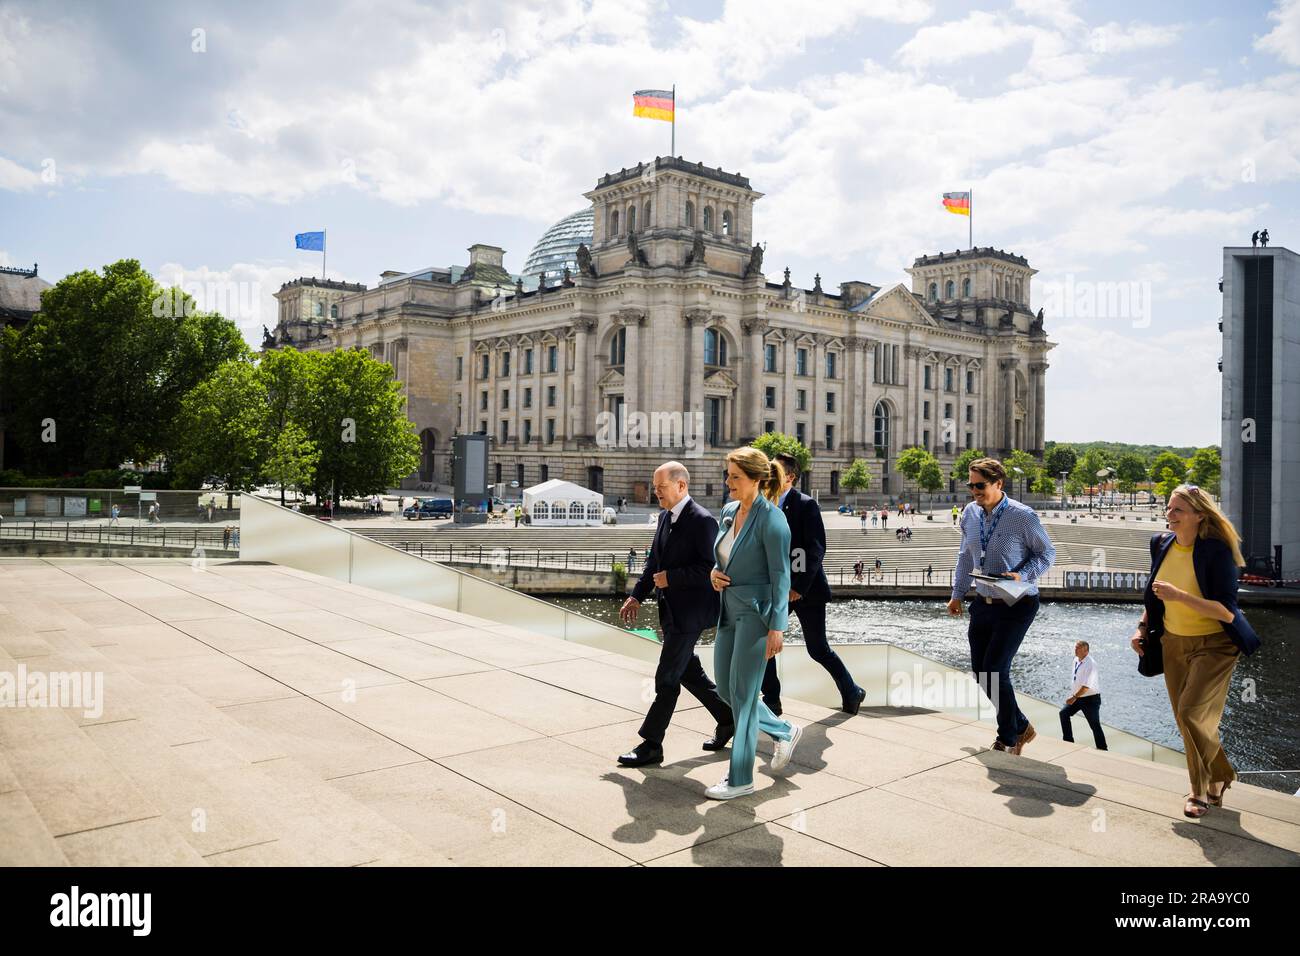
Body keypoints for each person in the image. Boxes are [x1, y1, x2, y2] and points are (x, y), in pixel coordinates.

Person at [1130, 484, 1260, 818]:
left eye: (1178, 510)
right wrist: (1142, 628)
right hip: (1173, 642)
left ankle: (1202, 788)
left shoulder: (1217, 551)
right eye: (1168, 507)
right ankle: (1213, 782)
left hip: (1215, 644)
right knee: (1188, 719)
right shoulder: (1160, 543)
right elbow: (1155, 597)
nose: (1169, 514)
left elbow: (1226, 612)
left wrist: (1180, 596)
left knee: (1190, 713)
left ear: (1199, 516)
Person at [618, 462, 733, 769]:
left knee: (667, 677)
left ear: (681, 486)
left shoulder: (703, 520)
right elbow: (653, 564)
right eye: (655, 487)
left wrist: (672, 577)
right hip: (670, 611)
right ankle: (728, 718)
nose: (656, 492)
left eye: (661, 487)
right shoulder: (664, 517)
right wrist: (636, 595)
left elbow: (712, 569)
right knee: (688, 672)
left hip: (691, 613)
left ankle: (651, 744)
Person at [706, 448, 800, 799]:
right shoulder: (728, 512)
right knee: (726, 689)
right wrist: (713, 573)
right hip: (728, 610)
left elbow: (781, 577)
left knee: (744, 697)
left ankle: (740, 778)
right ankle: (783, 730)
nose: (727, 482)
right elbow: (723, 557)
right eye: (728, 475)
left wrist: (777, 627)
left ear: (756, 479)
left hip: (757, 615)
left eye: (735, 477)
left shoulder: (773, 520)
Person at [946, 457, 1056, 756]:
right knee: (981, 672)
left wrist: (1023, 575)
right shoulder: (969, 513)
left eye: (980, 485)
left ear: (999, 483)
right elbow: (965, 557)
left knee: (996, 668)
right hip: (983, 602)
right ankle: (1020, 725)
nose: (974, 491)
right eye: (970, 485)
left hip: (1017, 603)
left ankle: (1007, 737)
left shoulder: (1023, 516)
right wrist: (957, 594)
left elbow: (1047, 554)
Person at [760, 453, 866, 717]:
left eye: (774, 472)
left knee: (818, 649)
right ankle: (772, 700)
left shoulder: (806, 505)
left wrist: (798, 587)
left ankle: (851, 690)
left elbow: (816, 549)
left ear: (790, 477)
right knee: (763, 641)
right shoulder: (766, 504)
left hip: (806, 590)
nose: (768, 477)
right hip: (778, 590)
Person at [1060, 640, 1107, 750]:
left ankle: (1103, 748)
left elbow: (1086, 686)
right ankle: (1068, 742)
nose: (1075, 650)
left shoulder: (1091, 664)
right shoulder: (1076, 660)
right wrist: (1074, 695)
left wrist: (1074, 697)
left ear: (1086, 651)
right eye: (1075, 647)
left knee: (1094, 725)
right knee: (1064, 713)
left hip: (1090, 700)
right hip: (1078, 697)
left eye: (1078, 648)